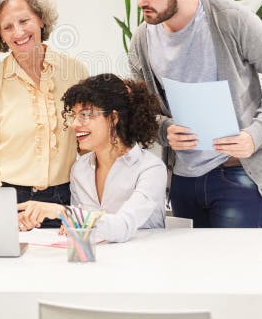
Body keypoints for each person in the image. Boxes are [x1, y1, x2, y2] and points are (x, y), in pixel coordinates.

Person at [124, 0, 262, 228]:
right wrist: (164, 129)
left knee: (233, 271)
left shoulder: (230, 19)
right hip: (183, 179)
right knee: (189, 272)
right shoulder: (142, 39)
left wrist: (256, 135)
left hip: (236, 173)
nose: (140, 1)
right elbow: (142, 106)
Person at [0, 0, 88, 227]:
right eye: (7, 27)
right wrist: (2, 213)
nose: (18, 32)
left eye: (24, 21)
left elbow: (90, 144)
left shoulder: (75, 72)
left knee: (71, 264)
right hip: (11, 203)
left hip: (66, 199)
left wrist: (91, 200)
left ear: (41, 19)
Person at [17, 74, 167, 242]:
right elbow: (81, 231)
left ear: (113, 118)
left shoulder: (151, 169)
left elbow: (123, 227)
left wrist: (62, 212)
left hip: (143, 263)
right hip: (97, 263)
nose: (74, 124)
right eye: (73, 115)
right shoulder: (80, 169)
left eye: (85, 115)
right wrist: (38, 220)